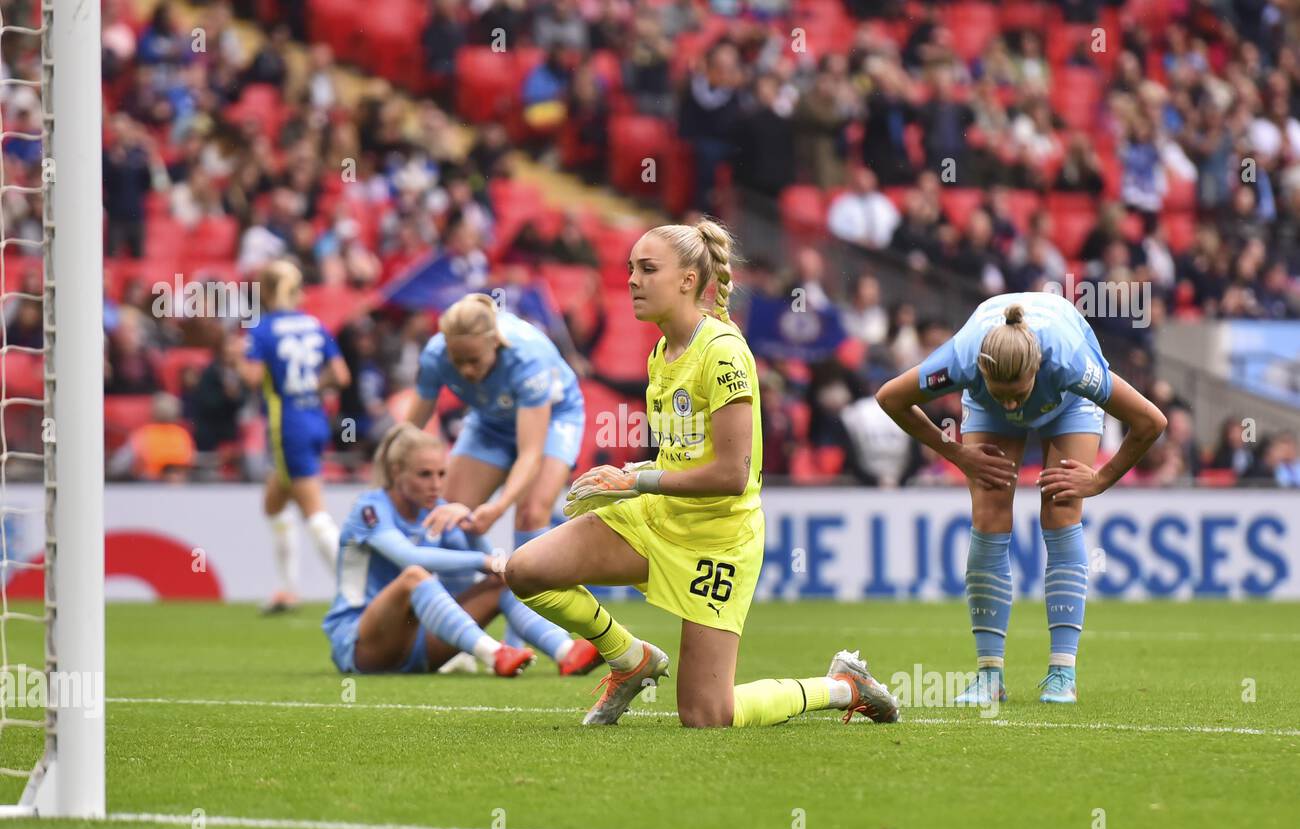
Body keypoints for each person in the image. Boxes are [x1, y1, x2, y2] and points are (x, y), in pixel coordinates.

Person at [504, 218, 901, 728]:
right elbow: (680, 457)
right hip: (658, 517)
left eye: (648, 269)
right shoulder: (660, 352)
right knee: (525, 571)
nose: (632, 280)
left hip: (718, 539)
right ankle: (630, 659)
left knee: (707, 715)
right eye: (630, 269)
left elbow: (732, 475)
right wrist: (626, 476)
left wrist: (635, 480)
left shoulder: (723, 352)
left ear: (689, 280)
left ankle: (844, 687)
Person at [875, 293, 1168, 704]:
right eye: (1003, 394)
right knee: (990, 513)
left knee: (1062, 507)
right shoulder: (960, 358)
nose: (1013, 405)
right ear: (979, 371)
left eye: (1019, 393)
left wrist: (1101, 479)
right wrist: (958, 455)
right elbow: (890, 397)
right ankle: (989, 677)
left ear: (1037, 369)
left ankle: (1062, 674)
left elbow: (1151, 421)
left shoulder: (1068, 362)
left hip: (1069, 404)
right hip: (984, 410)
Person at [323, 424, 599, 676]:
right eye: (424, 474)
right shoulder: (370, 509)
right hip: (359, 645)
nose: (435, 484)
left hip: (415, 646)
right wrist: (484, 561)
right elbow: (409, 557)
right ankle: (495, 655)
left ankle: (566, 652)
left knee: (501, 583)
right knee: (413, 576)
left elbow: (496, 569)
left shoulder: (437, 510)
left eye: (441, 474)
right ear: (396, 472)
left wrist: (469, 523)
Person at [406, 293, 586, 651]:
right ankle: (460, 636)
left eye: (473, 361)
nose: (466, 371)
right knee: (449, 514)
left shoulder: (527, 358)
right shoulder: (435, 354)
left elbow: (530, 453)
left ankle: (526, 634)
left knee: (532, 512)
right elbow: (411, 428)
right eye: (458, 362)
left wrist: (498, 507)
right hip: (490, 423)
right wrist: (390, 479)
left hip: (554, 419)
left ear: (494, 341)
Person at [241, 260, 350, 614]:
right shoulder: (315, 325)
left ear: (267, 292)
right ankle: (288, 590)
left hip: (286, 424)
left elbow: (253, 379)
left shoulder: (263, 329)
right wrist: (310, 387)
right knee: (274, 503)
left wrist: (236, 359)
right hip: (315, 418)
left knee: (313, 511)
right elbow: (341, 376)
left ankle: (353, 588)